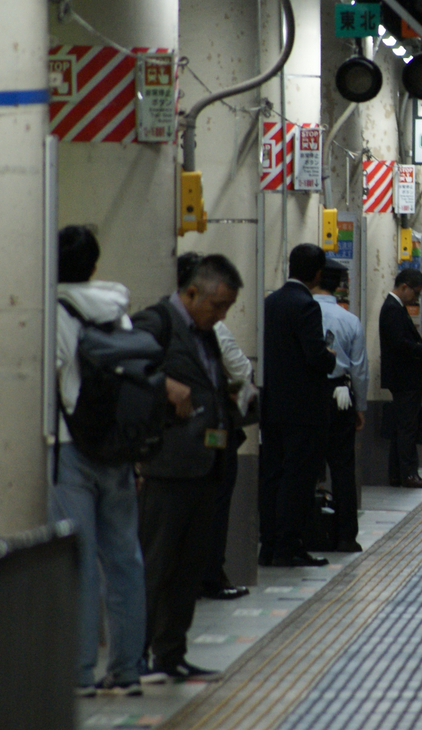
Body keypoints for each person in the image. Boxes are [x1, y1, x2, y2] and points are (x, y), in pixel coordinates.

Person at [131, 254, 243, 683]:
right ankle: (133, 655)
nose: (221, 316)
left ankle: (171, 653)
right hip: (167, 466)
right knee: (155, 565)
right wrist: (164, 386)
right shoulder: (155, 322)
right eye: (216, 306)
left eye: (226, 309)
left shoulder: (204, 332)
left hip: (204, 464)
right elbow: (122, 367)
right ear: (191, 292)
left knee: (188, 568)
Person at [49, 225, 147, 698]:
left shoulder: (52, 312)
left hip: (70, 448)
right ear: (93, 265)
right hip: (118, 449)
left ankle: (80, 672)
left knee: (80, 561)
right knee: (125, 557)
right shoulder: (118, 313)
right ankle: (128, 669)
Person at [175, 253, 255, 601]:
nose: (222, 314)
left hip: (191, 439)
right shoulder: (208, 329)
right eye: (219, 304)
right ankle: (209, 575)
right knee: (212, 508)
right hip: (203, 440)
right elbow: (240, 372)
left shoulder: (189, 327)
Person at [259, 244, 337, 567]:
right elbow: (314, 356)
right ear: (317, 273)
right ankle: (289, 547)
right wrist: (328, 357)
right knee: (298, 479)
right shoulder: (306, 305)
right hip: (302, 411)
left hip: (271, 405)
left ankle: (270, 545)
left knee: (272, 475)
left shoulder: (270, 302)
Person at [312, 259, 368, 553]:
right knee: (343, 468)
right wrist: (360, 406)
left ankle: (305, 532)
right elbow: (359, 368)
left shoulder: (301, 312)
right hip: (341, 395)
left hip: (308, 394)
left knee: (304, 465)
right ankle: (347, 536)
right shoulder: (349, 320)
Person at [379, 268, 422, 488]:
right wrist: (421, 349)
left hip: (405, 379)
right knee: (407, 428)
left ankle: (398, 473)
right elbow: (398, 343)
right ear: (404, 287)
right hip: (405, 379)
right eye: (416, 292)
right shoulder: (393, 309)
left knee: (402, 427)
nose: (416, 298)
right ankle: (409, 474)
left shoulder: (395, 307)